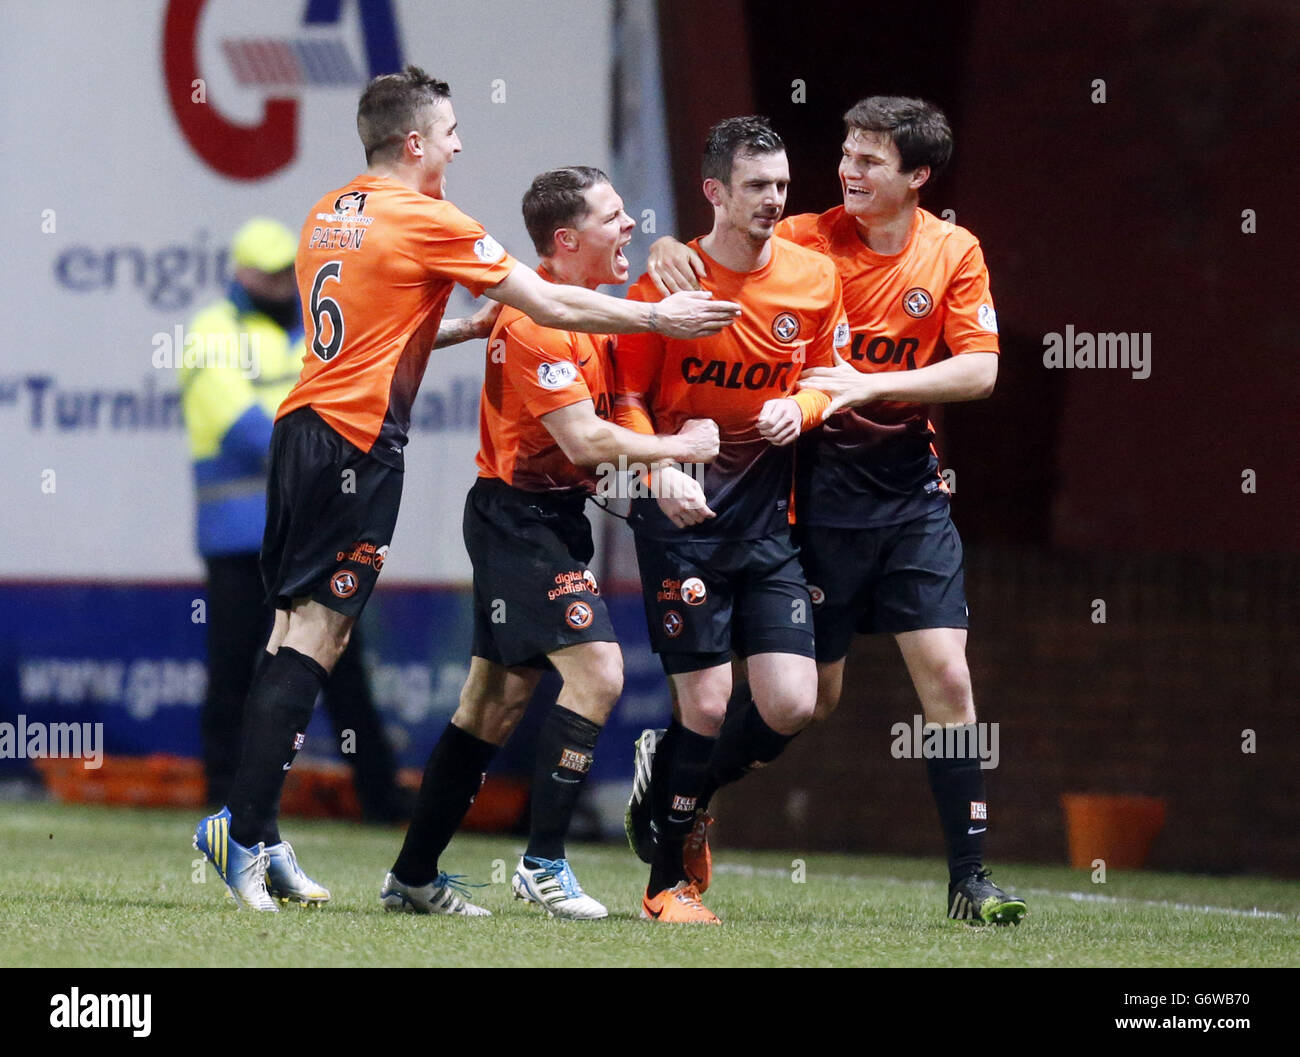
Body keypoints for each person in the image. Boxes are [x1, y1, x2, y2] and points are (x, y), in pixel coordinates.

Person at [191, 65, 740, 912]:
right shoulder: (427, 216)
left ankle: (257, 830)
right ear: (414, 143)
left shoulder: (331, 210)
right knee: (316, 636)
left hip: (303, 428)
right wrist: (656, 318)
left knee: (297, 632)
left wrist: (458, 326)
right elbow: (550, 301)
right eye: (448, 131)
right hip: (357, 442)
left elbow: (373, 334)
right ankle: (238, 826)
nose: (457, 143)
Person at [639, 96, 1027, 925]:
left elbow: (981, 371)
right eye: (846, 154)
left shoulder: (953, 251)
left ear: (917, 177)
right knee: (808, 702)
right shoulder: (811, 237)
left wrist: (873, 384)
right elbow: (725, 246)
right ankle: (688, 786)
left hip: (910, 497)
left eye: (869, 161)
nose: (847, 171)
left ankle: (971, 878)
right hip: (815, 499)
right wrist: (667, 246)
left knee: (950, 677)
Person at [379, 166, 720, 919]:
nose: (629, 226)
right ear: (566, 242)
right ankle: (543, 862)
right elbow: (587, 438)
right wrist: (679, 448)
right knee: (598, 671)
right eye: (613, 217)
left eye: (631, 215)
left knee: (490, 706)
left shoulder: (593, 307)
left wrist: (667, 248)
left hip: (551, 517)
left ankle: (411, 876)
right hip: (517, 522)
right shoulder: (538, 322)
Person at [614, 117, 849, 924]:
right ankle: (664, 882)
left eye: (782, 185)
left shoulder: (813, 278)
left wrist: (805, 404)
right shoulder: (668, 282)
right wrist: (658, 467)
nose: (774, 200)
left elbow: (829, 373)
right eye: (757, 186)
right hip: (679, 515)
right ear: (715, 190)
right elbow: (628, 398)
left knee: (790, 702)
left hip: (764, 522)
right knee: (707, 704)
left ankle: (685, 778)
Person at [181, 217, 419, 824]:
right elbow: (242, 431)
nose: (282, 285)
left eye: (288, 272)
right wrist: (327, 452)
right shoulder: (213, 331)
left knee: (340, 663)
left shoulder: (319, 326)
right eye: (267, 274)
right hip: (240, 533)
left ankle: (380, 797)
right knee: (235, 664)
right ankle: (224, 796)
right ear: (238, 272)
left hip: (314, 527)